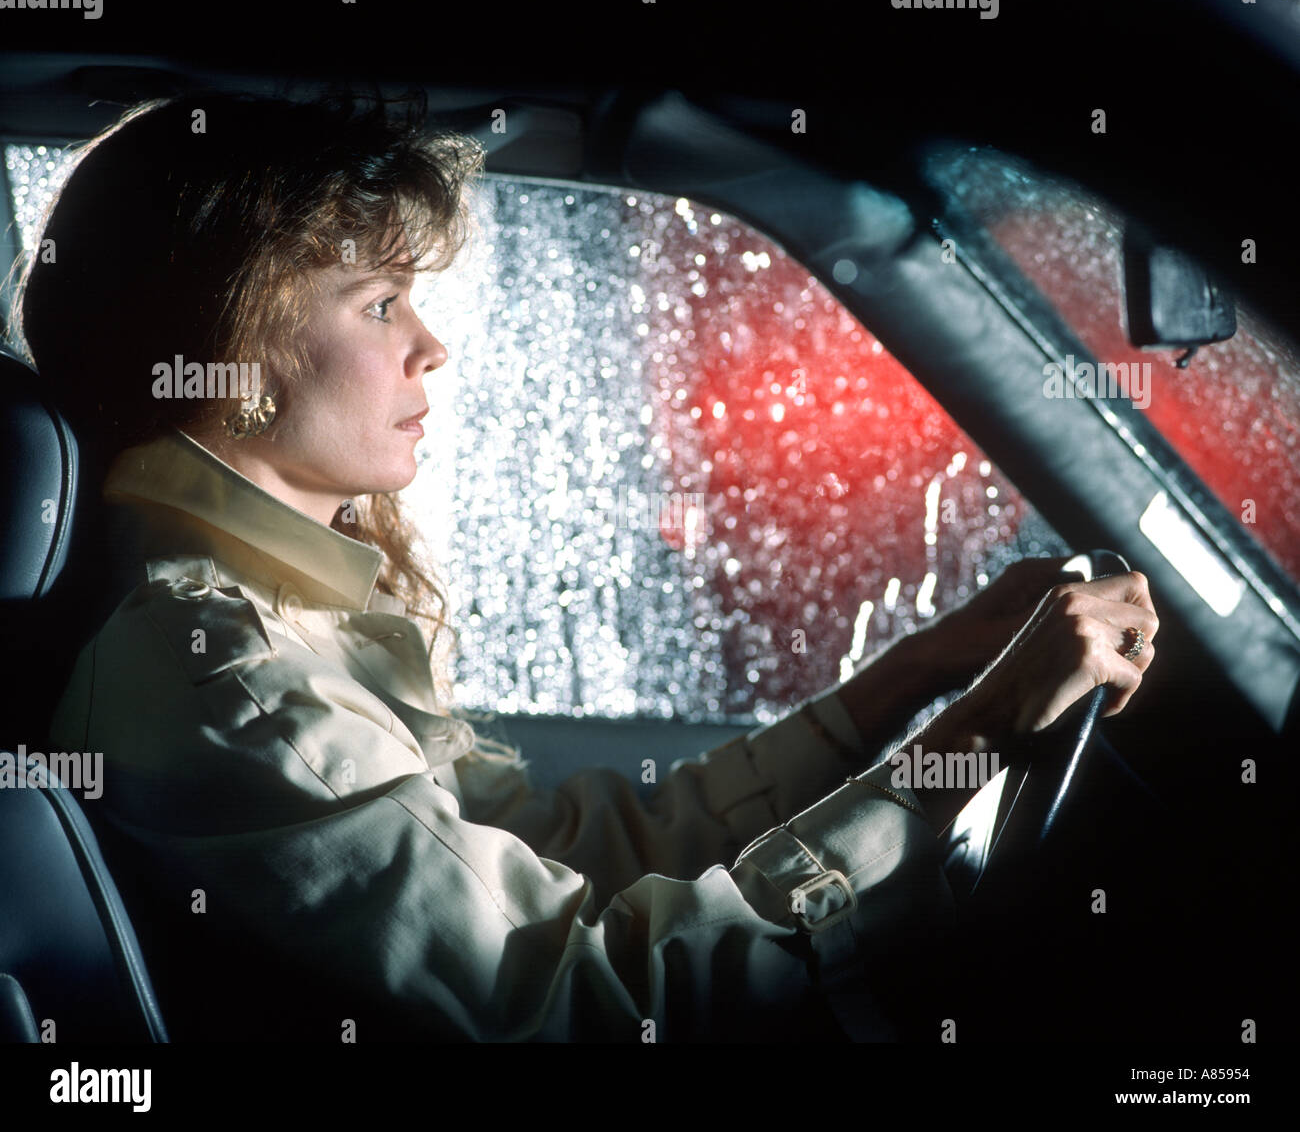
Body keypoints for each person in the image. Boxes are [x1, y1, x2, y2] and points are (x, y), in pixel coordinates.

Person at [13, 90, 1159, 1042]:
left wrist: (921, 674)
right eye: (379, 302)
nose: (431, 346)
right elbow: (601, 1004)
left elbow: (561, 854)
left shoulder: (274, 619)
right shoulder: (236, 681)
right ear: (224, 350)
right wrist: (985, 730)